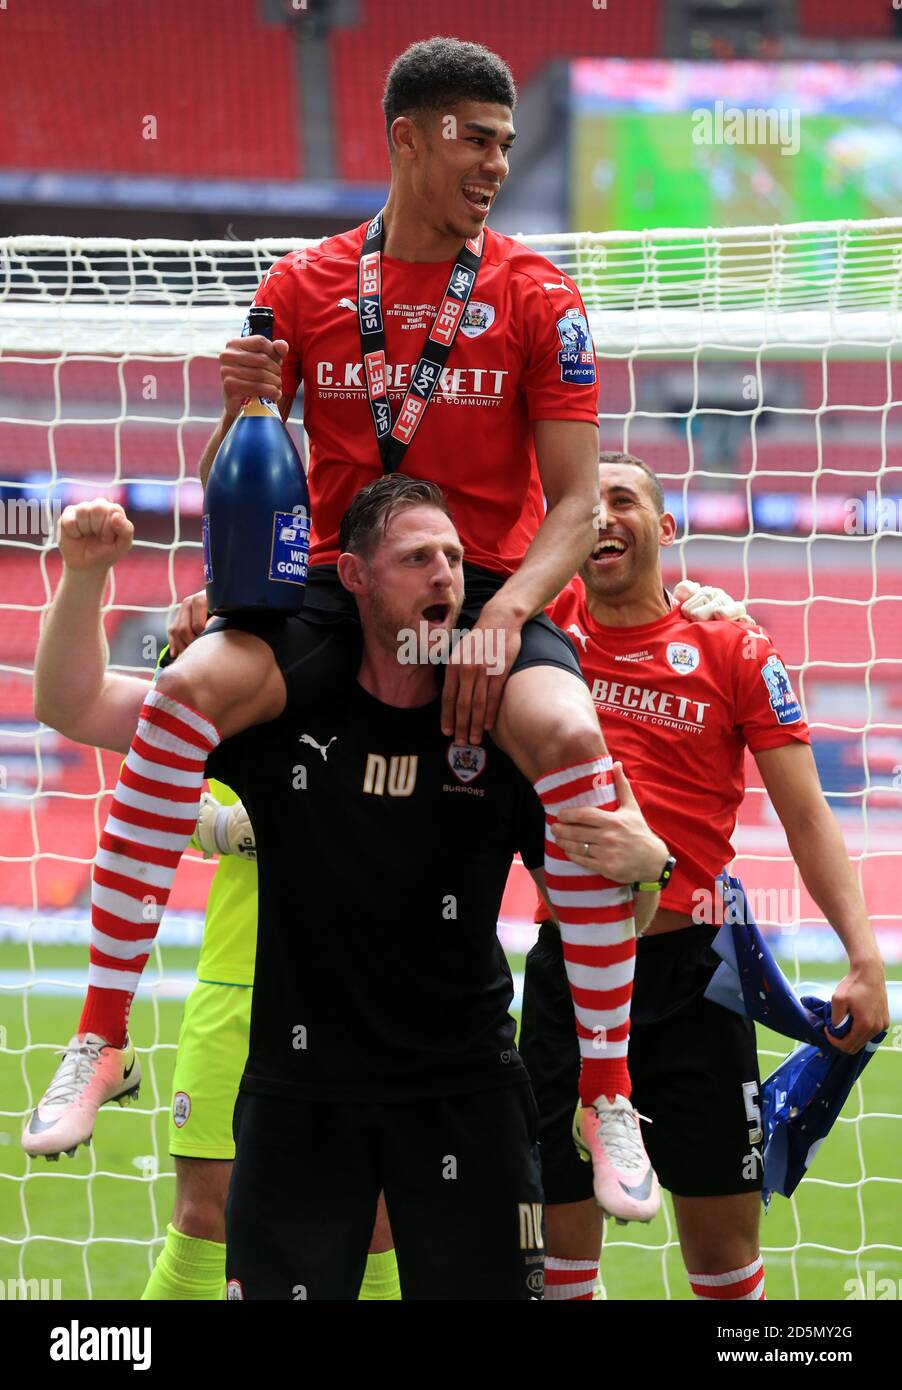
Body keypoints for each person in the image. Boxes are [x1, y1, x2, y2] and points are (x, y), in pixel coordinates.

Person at [26, 36, 669, 1217]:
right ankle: (102, 1035)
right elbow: (236, 473)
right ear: (410, 136)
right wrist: (236, 410)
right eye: (475, 139)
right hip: (332, 584)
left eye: (503, 146)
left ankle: (606, 1093)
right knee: (178, 698)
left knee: (572, 736)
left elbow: (575, 503)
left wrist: (505, 616)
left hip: (480, 590)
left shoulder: (536, 295)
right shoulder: (303, 284)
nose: (493, 164)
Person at [26, 479, 669, 1299]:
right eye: (417, 559)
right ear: (353, 578)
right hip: (300, 1087)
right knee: (208, 1229)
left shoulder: (501, 727)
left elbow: (603, 912)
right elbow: (75, 703)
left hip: (465, 1087)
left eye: (455, 560)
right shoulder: (272, 710)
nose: (445, 577)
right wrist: (85, 577)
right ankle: (98, 1039)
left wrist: (649, 863)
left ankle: (607, 1092)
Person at [518, 452, 890, 1301]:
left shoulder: (731, 643)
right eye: (590, 503)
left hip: (697, 981)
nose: (604, 517)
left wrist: (864, 956)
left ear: (666, 529)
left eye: (626, 502)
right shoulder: (544, 631)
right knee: (555, 1274)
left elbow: (807, 816)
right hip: (566, 971)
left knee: (725, 1273)